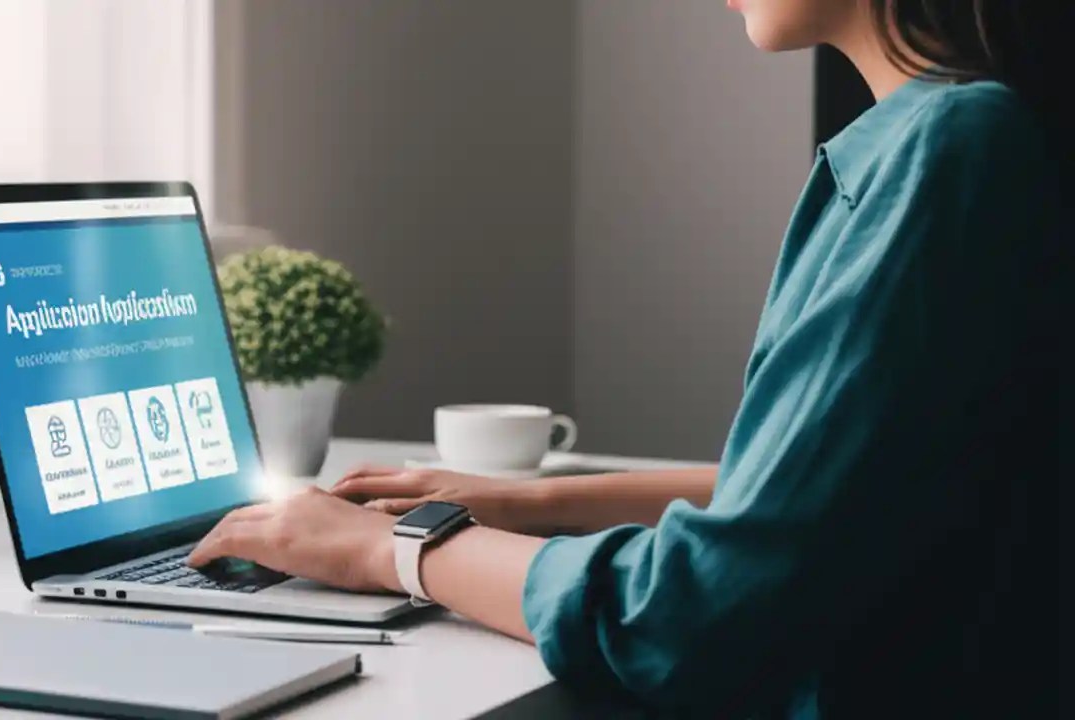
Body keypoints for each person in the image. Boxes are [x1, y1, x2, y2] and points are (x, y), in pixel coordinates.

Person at [189, 1, 1064, 717]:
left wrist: (391, 553)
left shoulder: (948, 152)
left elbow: (696, 610)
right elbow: (814, 500)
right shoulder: (942, 137)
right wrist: (534, 502)